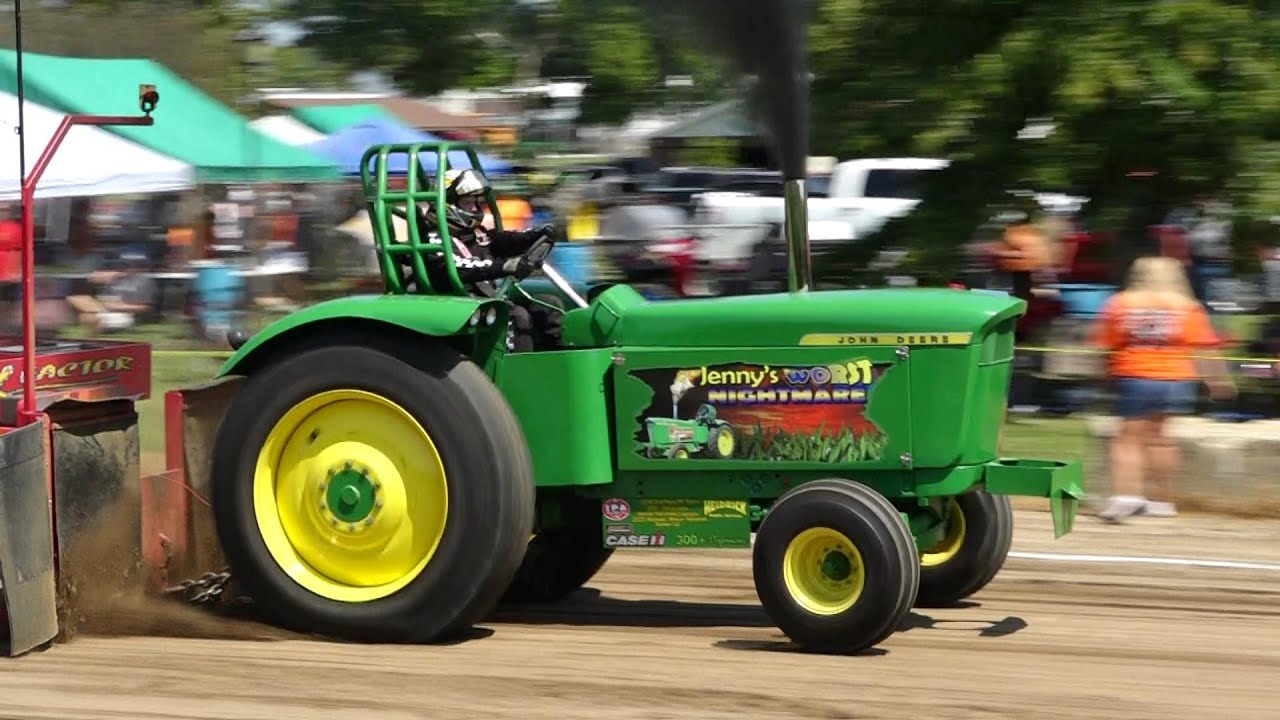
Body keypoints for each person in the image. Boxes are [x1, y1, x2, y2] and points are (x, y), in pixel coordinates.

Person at [1089, 256, 1236, 523]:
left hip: (1135, 374)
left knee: (1127, 439)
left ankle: (1126, 496)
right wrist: (1218, 380)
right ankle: (1162, 501)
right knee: (1161, 438)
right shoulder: (1187, 307)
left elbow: (1106, 345)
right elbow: (1206, 348)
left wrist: (1103, 375)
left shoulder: (1120, 304)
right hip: (1177, 378)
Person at [407, 168, 562, 352]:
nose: (475, 208)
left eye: (476, 202)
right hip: (457, 304)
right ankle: (517, 375)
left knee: (549, 304)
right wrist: (503, 266)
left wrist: (535, 235)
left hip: (484, 300)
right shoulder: (434, 237)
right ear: (449, 202)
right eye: (468, 202)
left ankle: (555, 363)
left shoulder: (474, 233)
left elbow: (500, 242)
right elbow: (457, 267)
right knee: (517, 316)